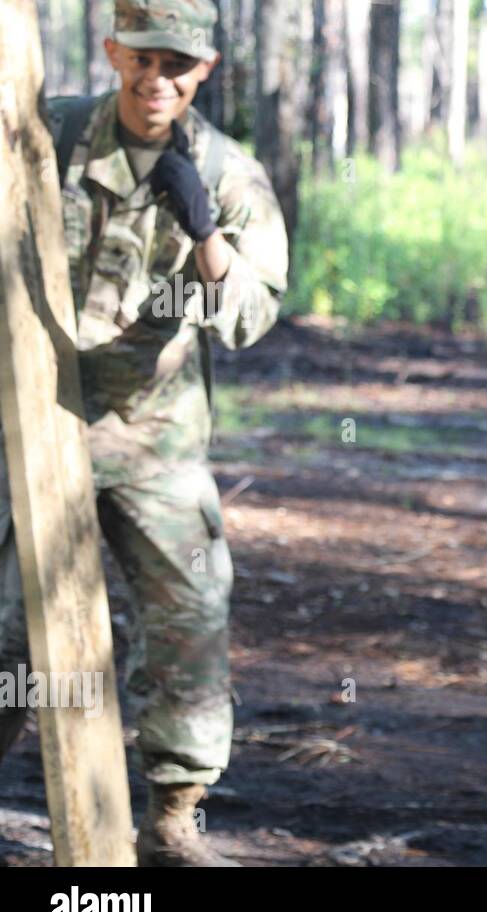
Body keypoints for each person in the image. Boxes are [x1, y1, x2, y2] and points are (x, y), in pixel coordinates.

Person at [0, 0, 288, 865]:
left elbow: (249, 319)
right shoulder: (45, 135)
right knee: (11, 633)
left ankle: (173, 812)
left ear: (204, 71)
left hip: (154, 437)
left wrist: (204, 232)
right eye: (142, 59)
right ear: (113, 52)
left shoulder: (229, 174)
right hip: (33, 428)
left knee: (190, 615)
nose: (156, 80)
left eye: (177, 65)